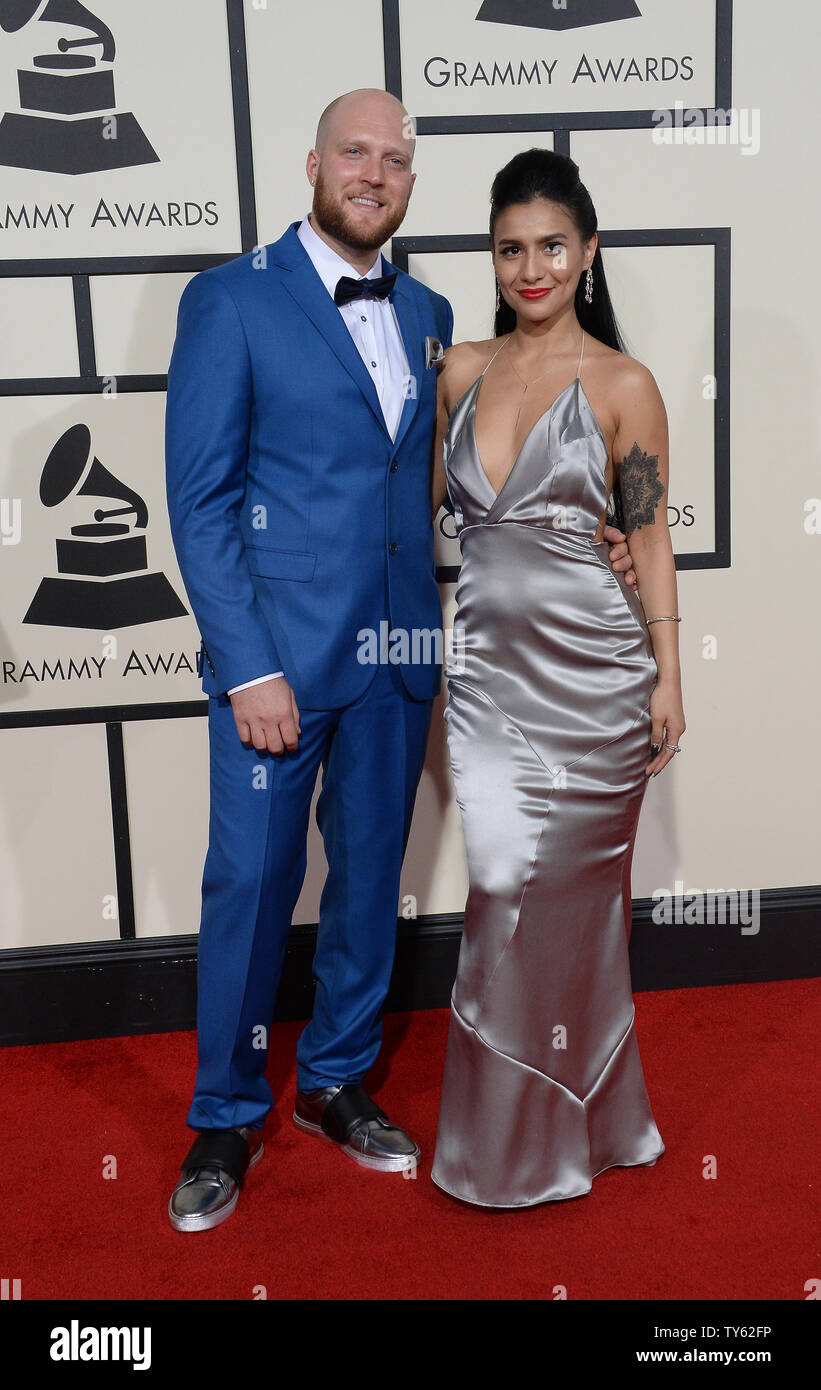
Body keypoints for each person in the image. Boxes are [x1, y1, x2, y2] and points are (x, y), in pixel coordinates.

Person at [164, 91, 637, 1232]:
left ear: (411, 182)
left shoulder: (431, 313)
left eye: (394, 159)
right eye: (353, 154)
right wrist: (245, 667)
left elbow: (483, 471)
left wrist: (598, 527)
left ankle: (334, 1078)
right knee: (250, 886)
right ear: (312, 162)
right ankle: (224, 1111)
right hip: (273, 667)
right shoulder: (229, 301)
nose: (372, 173)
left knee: (371, 881)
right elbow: (200, 500)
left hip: (400, 654)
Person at [429, 148, 685, 1208]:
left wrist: (669, 673)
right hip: (489, 675)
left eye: (549, 246)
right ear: (490, 258)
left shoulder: (624, 385)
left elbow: (649, 531)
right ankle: (505, 1139)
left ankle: (587, 1123)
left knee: (577, 911)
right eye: (508, 248)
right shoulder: (456, 368)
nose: (529, 267)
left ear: (586, 253)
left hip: (599, 685)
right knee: (498, 883)